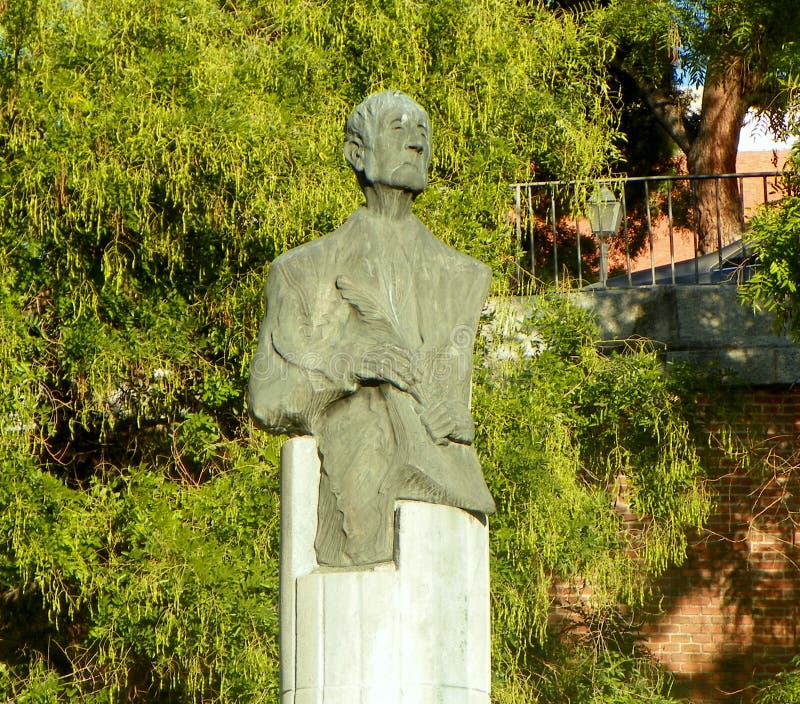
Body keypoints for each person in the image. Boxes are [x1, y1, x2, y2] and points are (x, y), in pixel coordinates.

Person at [248, 90, 495, 566]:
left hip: (450, 489)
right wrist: (350, 364)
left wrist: (459, 420)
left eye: (422, 133)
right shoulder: (302, 270)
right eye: (399, 129)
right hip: (358, 495)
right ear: (356, 154)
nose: (416, 144)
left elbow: (453, 390)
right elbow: (267, 398)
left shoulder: (464, 276)